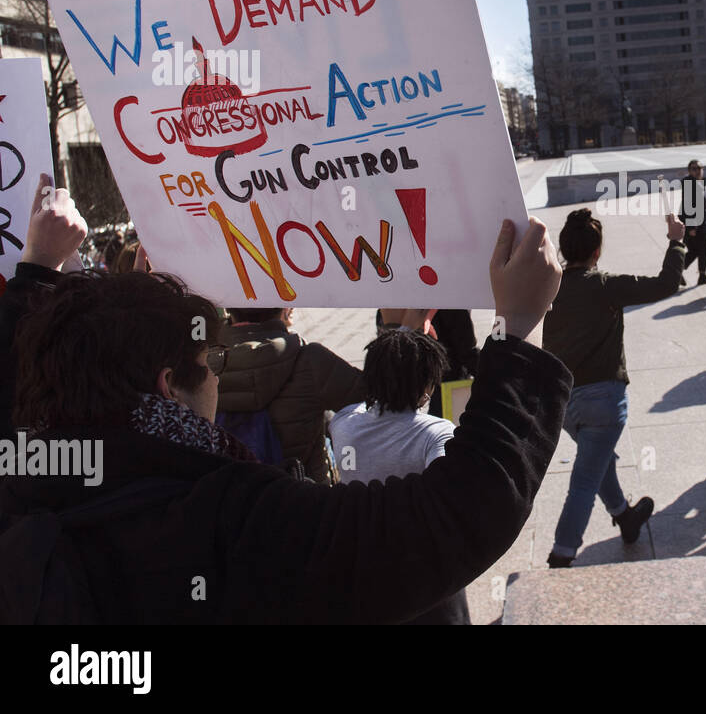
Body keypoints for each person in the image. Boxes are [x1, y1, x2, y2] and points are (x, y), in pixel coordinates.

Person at [0, 189, 572, 623]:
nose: (217, 377)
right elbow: (452, 518)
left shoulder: (22, 490)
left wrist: (43, 274)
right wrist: (515, 333)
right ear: (169, 384)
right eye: (211, 363)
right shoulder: (233, 522)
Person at [541, 208, 684, 567]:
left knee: (599, 460)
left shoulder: (549, 288)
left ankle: (625, 516)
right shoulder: (604, 285)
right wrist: (676, 242)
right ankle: (562, 553)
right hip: (603, 402)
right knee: (585, 480)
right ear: (596, 252)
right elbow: (665, 284)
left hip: (563, 405)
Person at [328, 329, 464, 623]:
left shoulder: (343, 422)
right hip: (422, 565)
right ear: (427, 386)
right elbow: (448, 492)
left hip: (360, 557)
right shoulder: (436, 432)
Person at [216, 306, 367, 483]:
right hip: (303, 496)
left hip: (228, 496)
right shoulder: (311, 359)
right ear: (285, 308)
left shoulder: (202, 358)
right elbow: (381, 398)